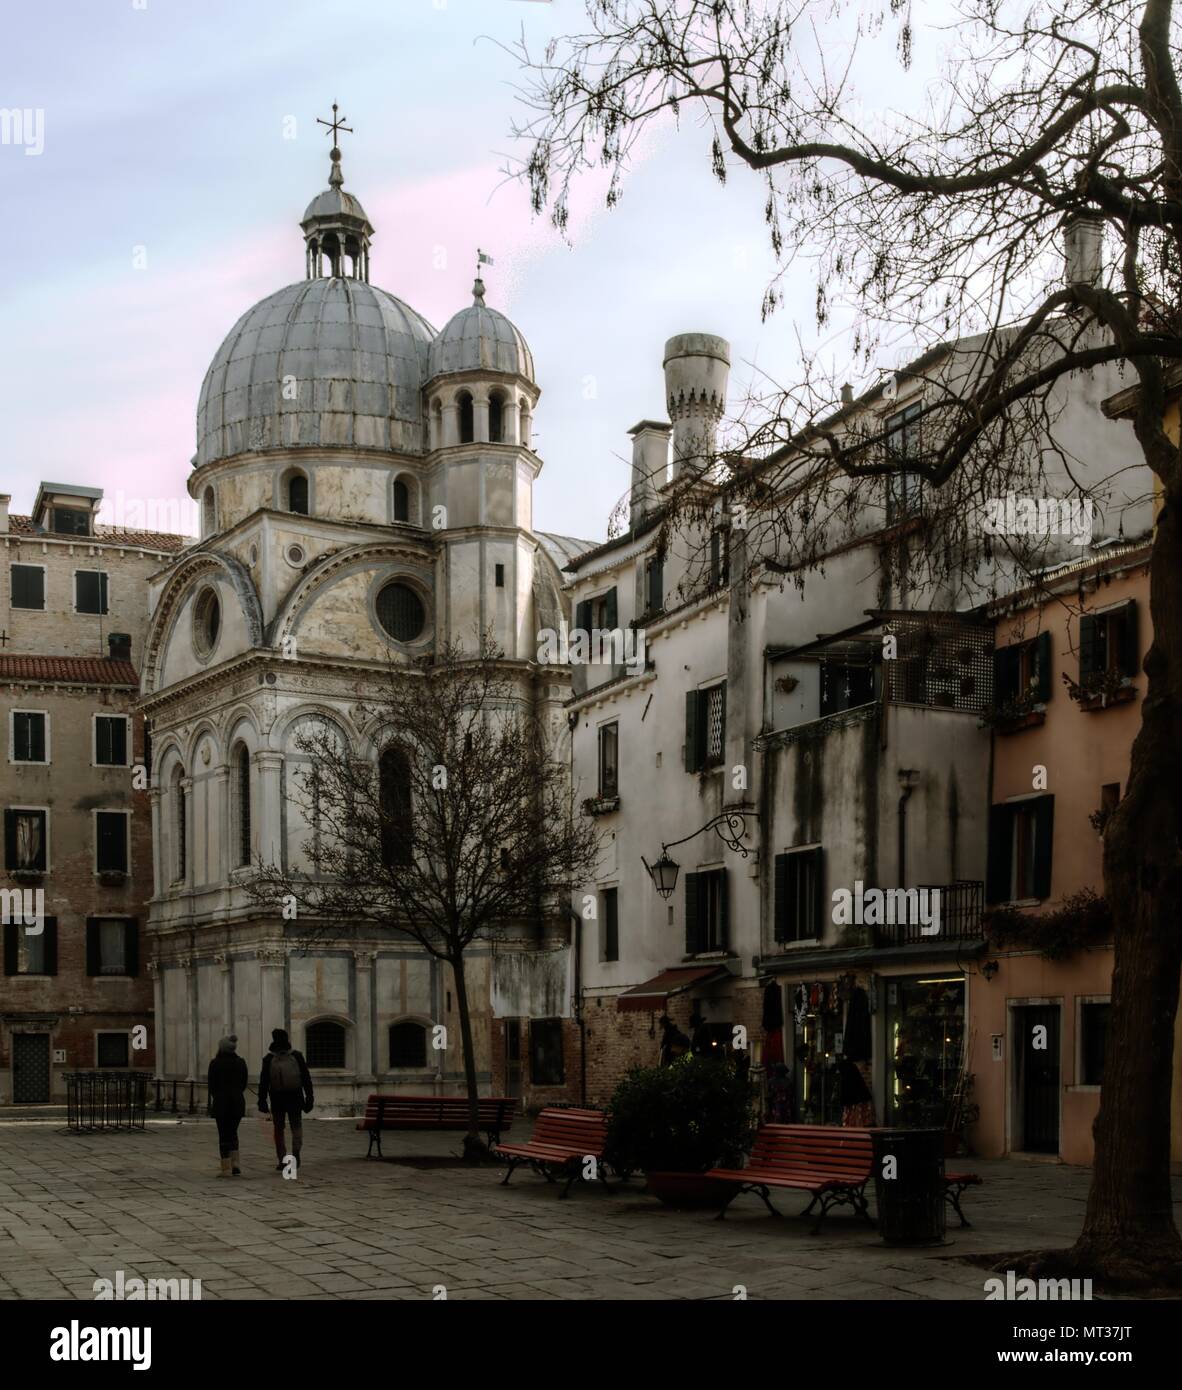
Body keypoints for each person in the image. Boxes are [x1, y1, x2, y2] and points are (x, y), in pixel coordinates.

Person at [258, 1028, 314, 1171]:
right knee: (296, 1127)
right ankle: (295, 1154)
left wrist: (262, 1101)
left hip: (277, 1099)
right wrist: (309, 1098)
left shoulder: (269, 1059)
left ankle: (282, 1159)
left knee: (278, 1129)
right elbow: (306, 1079)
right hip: (295, 1097)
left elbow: (264, 1082)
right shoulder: (297, 1056)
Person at [207, 1035, 248, 1177]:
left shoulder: (215, 1063)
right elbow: (244, 1083)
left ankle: (226, 1168)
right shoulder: (241, 1062)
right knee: (233, 1132)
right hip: (237, 1102)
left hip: (221, 1103)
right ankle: (236, 1164)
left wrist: (218, 1096)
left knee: (223, 1134)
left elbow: (211, 1086)